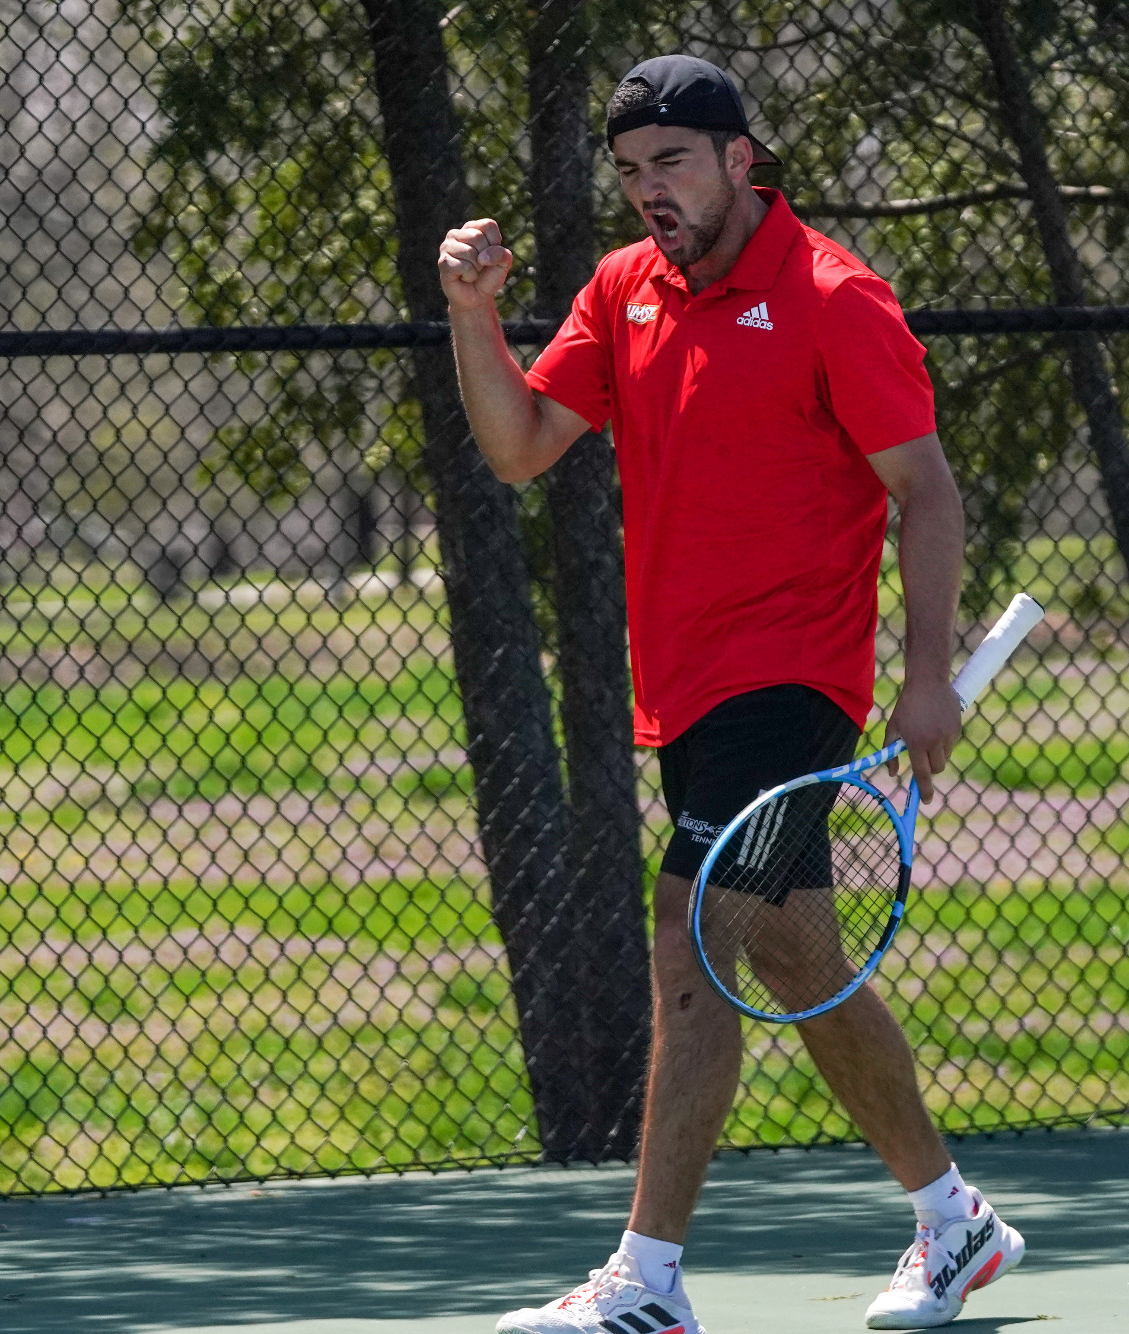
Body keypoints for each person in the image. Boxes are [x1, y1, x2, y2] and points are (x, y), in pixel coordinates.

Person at [436, 53, 1024, 1334]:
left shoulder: (832, 297)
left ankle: (645, 1282)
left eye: (676, 164)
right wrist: (473, 315)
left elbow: (925, 490)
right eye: (633, 169)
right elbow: (520, 448)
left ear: (740, 160)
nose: (652, 191)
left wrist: (927, 678)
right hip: (687, 689)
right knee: (799, 960)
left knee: (687, 937)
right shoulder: (621, 292)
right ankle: (954, 1219)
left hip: (793, 677)